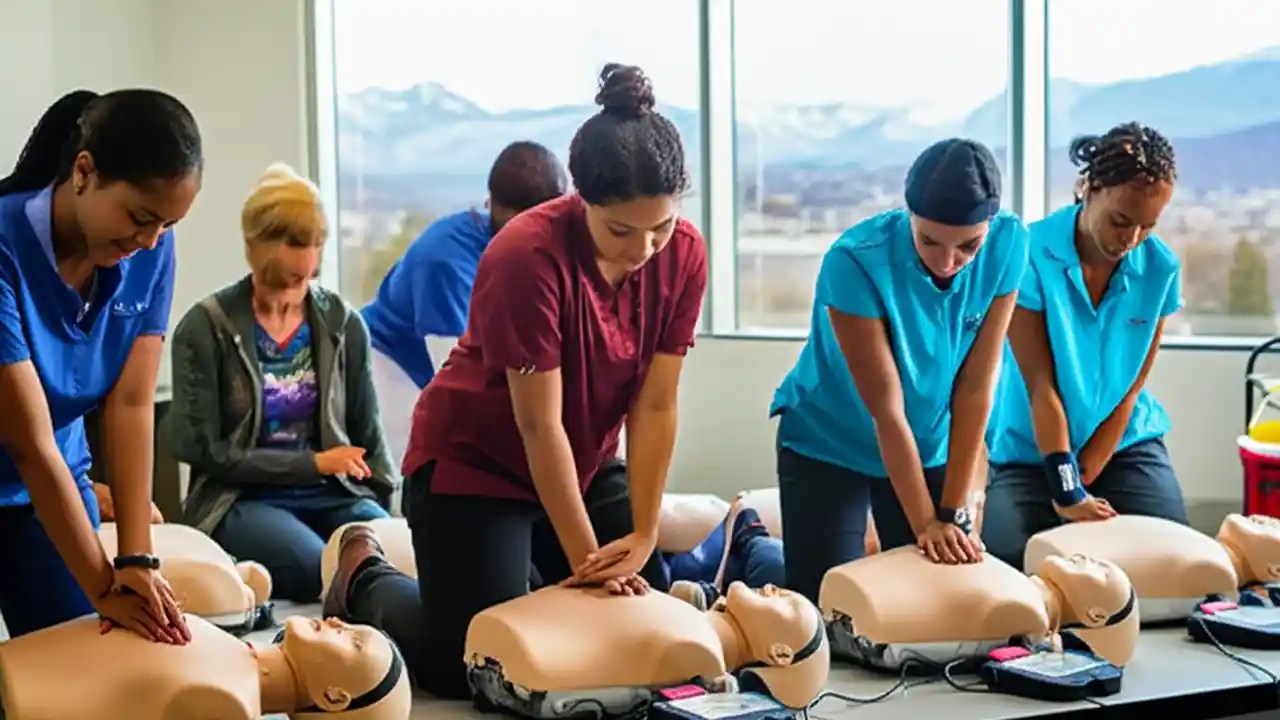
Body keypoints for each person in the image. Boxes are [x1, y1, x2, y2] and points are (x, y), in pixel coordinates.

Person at [320, 62, 708, 699]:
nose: (644, 250)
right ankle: (364, 575)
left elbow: (657, 403)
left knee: (643, 618)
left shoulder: (685, 253)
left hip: (580, 461)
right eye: (621, 230)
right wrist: (590, 564)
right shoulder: (526, 254)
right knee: (472, 659)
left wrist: (640, 536)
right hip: (476, 461)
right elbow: (537, 423)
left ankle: (532, 577)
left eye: (660, 228)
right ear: (581, 199)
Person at [769, 138, 1029, 603]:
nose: (948, 262)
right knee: (827, 603)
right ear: (909, 215)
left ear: (988, 228)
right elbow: (886, 410)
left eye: (968, 246)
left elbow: (975, 387)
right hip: (828, 440)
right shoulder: (853, 261)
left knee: (934, 594)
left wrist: (950, 513)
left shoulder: (1009, 243)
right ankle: (751, 547)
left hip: (927, 440)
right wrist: (926, 523)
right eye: (929, 240)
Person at [0, 89, 202, 641]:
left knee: (89, 664)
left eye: (166, 224)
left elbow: (133, 403)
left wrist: (136, 560)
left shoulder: (151, 249)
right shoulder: (3, 245)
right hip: (34, 460)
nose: (150, 240)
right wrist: (101, 585)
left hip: (52, 488)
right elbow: (28, 442)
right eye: (140, 217)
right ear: (83, 172)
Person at [168, 163, 397, 602]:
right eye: (293, 277)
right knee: (322, 570)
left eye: (310, 276)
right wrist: (313, 464)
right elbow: (205, 450)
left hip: (333, 494)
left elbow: (368, 433)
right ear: (260, 251)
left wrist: (385, 507)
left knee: (388, 556)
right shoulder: (205, 328)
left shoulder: (342, 324)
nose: (302, 287)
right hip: (242, 499)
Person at [982, 122, 1187, 570]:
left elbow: (1133, 385)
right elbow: (1041, 386)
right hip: (1031, 451)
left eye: (1147, 227)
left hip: (1124, 442)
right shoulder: (1029, 252)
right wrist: (1067, 486)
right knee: (1015, 565)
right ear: (1088, 189)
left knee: (1171, 565)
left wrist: (1090, 467)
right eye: (1120, 221)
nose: (1130, 239)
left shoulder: (1161, 268)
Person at [361, 142, 568, 465]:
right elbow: (460, 380)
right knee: (422, 471)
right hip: (392, 366)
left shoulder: (548, 246)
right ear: (492, 206)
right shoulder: (446, 262)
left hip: (444, 366)